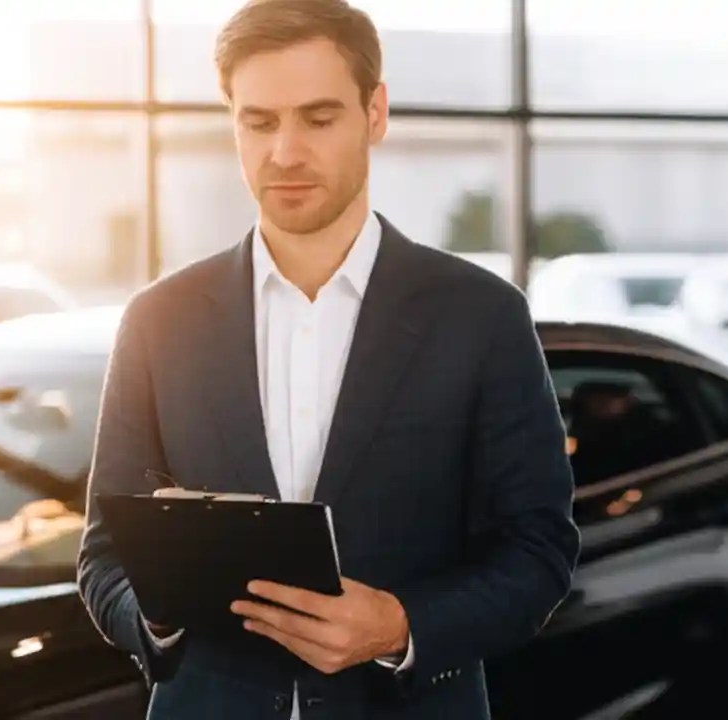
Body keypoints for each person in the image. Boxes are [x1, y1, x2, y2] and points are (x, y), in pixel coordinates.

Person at [77, 1, 579, 717]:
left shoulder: (482, 316)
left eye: (317, 119)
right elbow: (103, 558)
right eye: (259, 122)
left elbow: (539, 552)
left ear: (375, 113)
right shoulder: (158, 320)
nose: (285, 152)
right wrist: (158, 611)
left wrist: (401, 626)